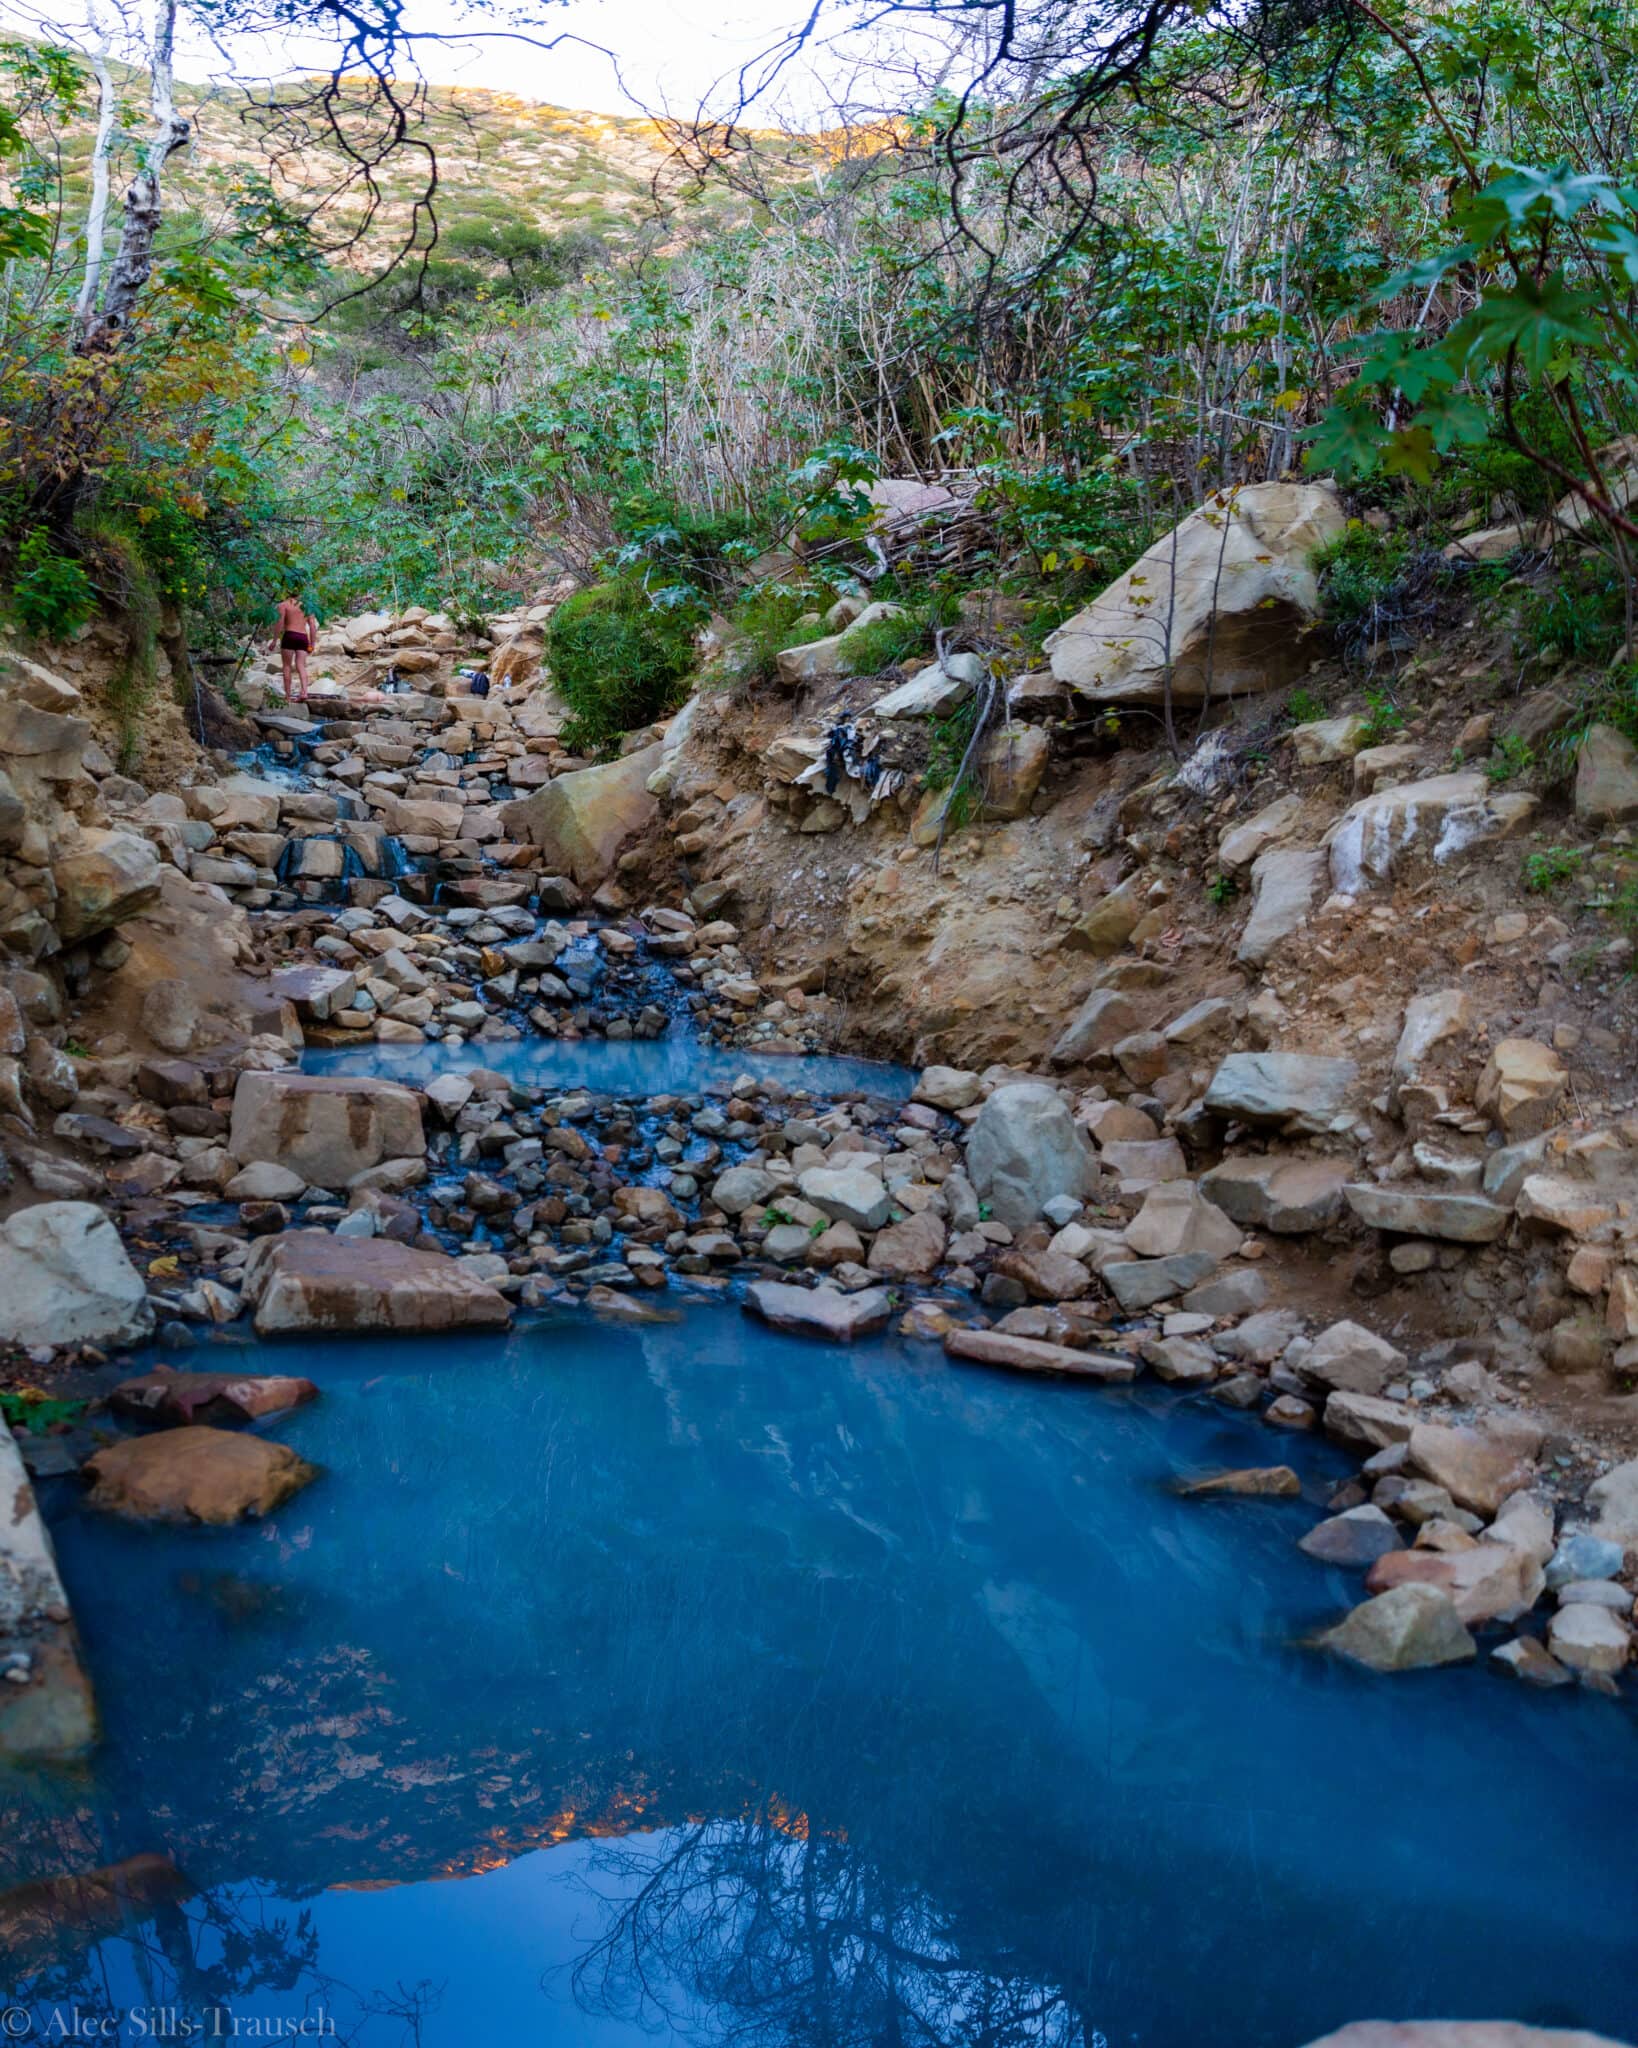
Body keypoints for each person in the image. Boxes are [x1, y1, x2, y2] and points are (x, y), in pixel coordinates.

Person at [272, 592, 315, 702]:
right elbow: (312, 626)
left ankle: (287, 696)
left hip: (290, 635)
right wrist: (312, 644)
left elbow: (280, 623)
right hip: (303, 637)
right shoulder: (307, 607)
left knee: (287, 666)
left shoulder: (284, 605)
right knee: (301, 665)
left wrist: (274, 640)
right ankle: (304, 692)